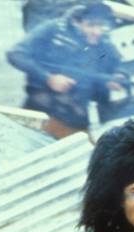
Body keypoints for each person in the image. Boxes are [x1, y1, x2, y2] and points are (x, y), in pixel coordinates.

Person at [7, 3, 122, 139]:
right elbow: (16, 54)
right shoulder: (52, 30)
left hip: (78, 119)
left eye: (101, 25)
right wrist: (48, 78)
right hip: (43, 112)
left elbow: (118, 64)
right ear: (76, 22)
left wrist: (117, 77)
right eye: (91, 25)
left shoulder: (103, 40)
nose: (97, 31)